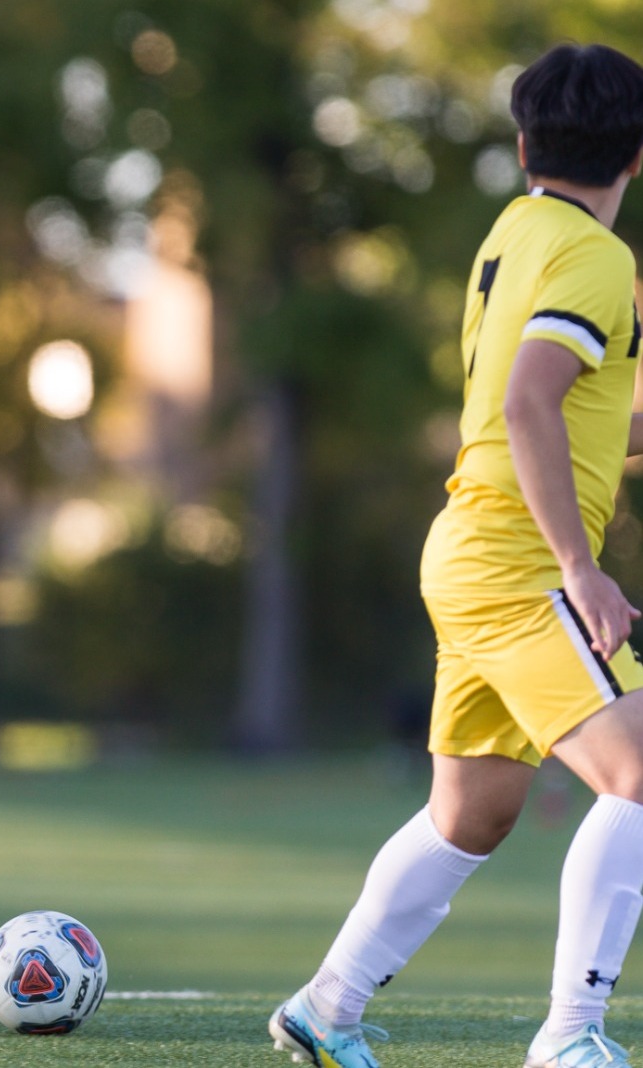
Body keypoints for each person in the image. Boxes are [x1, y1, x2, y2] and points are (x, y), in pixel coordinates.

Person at [270, 44, 643, 1068]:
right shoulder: (601, 259)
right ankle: (571, 1039)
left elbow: (569, 410)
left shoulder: (516, 230)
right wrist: (581, 565)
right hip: (520, 562)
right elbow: (528, 402)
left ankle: (325, 1007)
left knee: (473, 811)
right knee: (640, 771)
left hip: (472, 550)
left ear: (525, 146)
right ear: (638, 158)